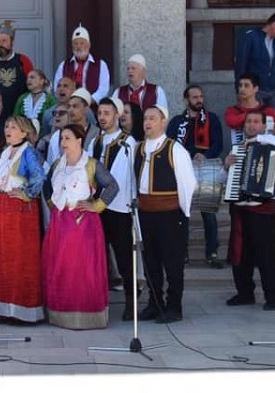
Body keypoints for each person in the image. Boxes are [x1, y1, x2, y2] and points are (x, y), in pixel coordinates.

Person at [42, 124, 119, 329]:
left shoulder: (91, 164)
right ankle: (61, 314)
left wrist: (97, 206)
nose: (63, 143)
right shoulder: (58, 163)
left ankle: (87, 316)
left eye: (67, 138)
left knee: (82, 268)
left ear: (79, 140)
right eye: (61, 139)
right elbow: (46, 185)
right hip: (60, 223)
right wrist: (55, 206)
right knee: (62, 267)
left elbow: (112, 185)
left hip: (83, 224)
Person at [134, 105, 196, 323]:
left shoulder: (174, 149)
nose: (147, 123)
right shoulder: (138, 149)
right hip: (146, 213)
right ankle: (154, 303)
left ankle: (174, 306)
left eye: (152, 118)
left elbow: (188, 183)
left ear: (163, 122)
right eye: (145, 118)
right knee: (151, 261)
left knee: (172, 262)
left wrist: (183, 214)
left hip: (170, 214)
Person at [224, 111, 275, 311]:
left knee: (267, 255)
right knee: (240, 254)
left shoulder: (274, 143)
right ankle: (245, 293)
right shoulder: (237, 149)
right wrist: (227, 166)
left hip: (264, 209)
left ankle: (273, 294)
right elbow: (223, 178)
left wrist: (258, 139)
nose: (251, 125)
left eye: (255, 122)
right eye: (248, 122)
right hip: (241, 209)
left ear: (263, 126)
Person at [0, 116, 47, 324]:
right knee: (4, 258)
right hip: (5, 207)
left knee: (21, 257)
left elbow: (39, 176)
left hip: (21, 209)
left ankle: (23, 309)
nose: (8, 129)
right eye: (7, 126)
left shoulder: (29, 152)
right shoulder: (5, 152)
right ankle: (6, 308)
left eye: (13, 127)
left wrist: (26, 194)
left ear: (24, 133)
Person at [93, 97, 141, 320]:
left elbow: (120, 176)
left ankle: (131, 300)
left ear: (117, 116)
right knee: (99, 256)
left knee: (123, 257)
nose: (102, 117)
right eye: (100, 113)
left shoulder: (127, 142)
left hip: (118, 207)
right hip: (99, 206)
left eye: (107, 113)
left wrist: (102, 200)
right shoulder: (96, 141)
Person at [166, 85, 224, 269]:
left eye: (201, 96)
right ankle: (182, 253)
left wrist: (205, 155)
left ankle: (212, 252)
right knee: (183, 214)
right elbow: (170, 144)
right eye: (194, 97)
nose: (199, 100)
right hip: (184, 171)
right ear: (186, 100)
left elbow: (219, 143)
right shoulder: (177, 122)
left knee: (208, 213)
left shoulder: (212, 119)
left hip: (206, 169)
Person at [234, 11, 275, 112]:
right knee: (253, 122)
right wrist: (240, 91)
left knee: (270, 123)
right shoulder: (250, 38)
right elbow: (240, 65)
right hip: (254, 92)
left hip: (272, 92)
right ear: (274, 25)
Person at [52, 25, 111, 106]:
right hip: (68, 108)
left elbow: (103, 89)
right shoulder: (63, 65)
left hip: (92, 108)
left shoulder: (101, 65)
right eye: (75, 43)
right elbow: (56, 88)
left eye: (82, 43)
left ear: (89, 45)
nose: (78, 46)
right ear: (72, 46)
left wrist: (87, 101)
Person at [45, 88, 99, 169]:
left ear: (85, 109)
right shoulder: (58, 136)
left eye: (75, 106)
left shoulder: (97, 134)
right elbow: (51, 164)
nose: (71, 110)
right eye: (69, 106)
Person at [225, 72, 275, 146]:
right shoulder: (233, 110)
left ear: (256, 89)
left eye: (246, 86)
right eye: (240, 85)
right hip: (241, 152)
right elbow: (232, 122)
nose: (242, 89)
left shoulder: (269, 111)